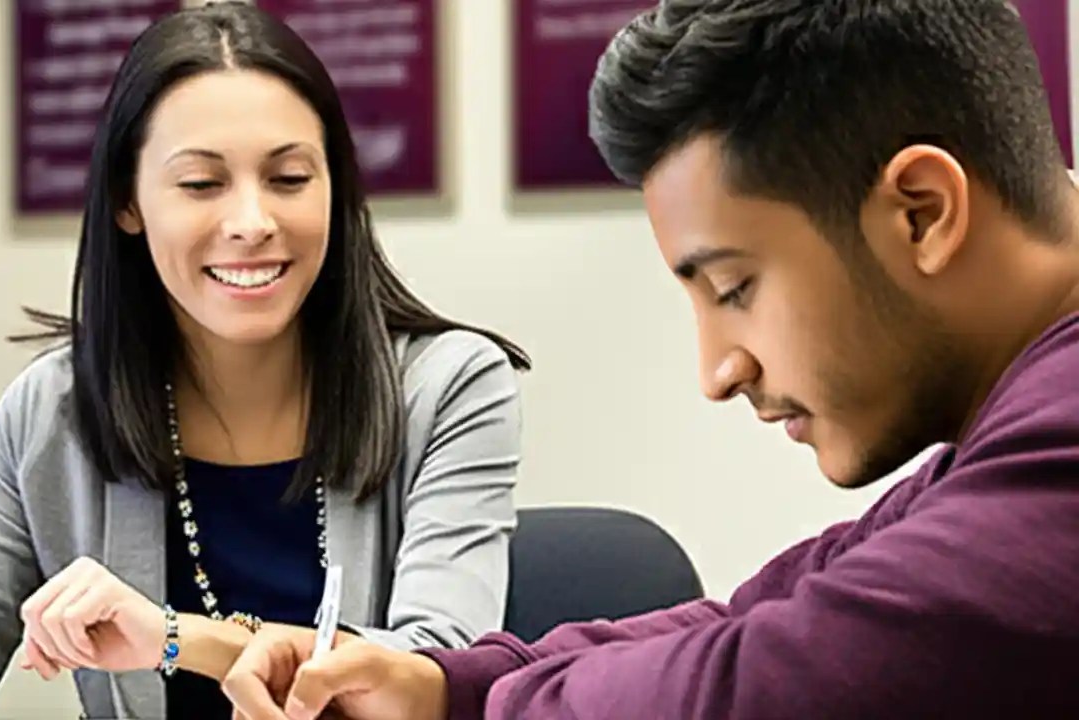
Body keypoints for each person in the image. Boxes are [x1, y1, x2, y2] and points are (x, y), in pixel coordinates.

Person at [223, 1, 1079, 718]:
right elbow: (765, 613)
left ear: (921, 214)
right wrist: (446, 687)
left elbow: (770, 683)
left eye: (734, 287)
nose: (717, 371)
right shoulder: (1007, 441)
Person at [0, 3, 529, 719]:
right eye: (202, 184)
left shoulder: (450, 387)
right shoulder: (52, 410)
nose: (252, 222)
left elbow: (444, 681)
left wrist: (176, 638)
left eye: (290, 178)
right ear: (126, 201)